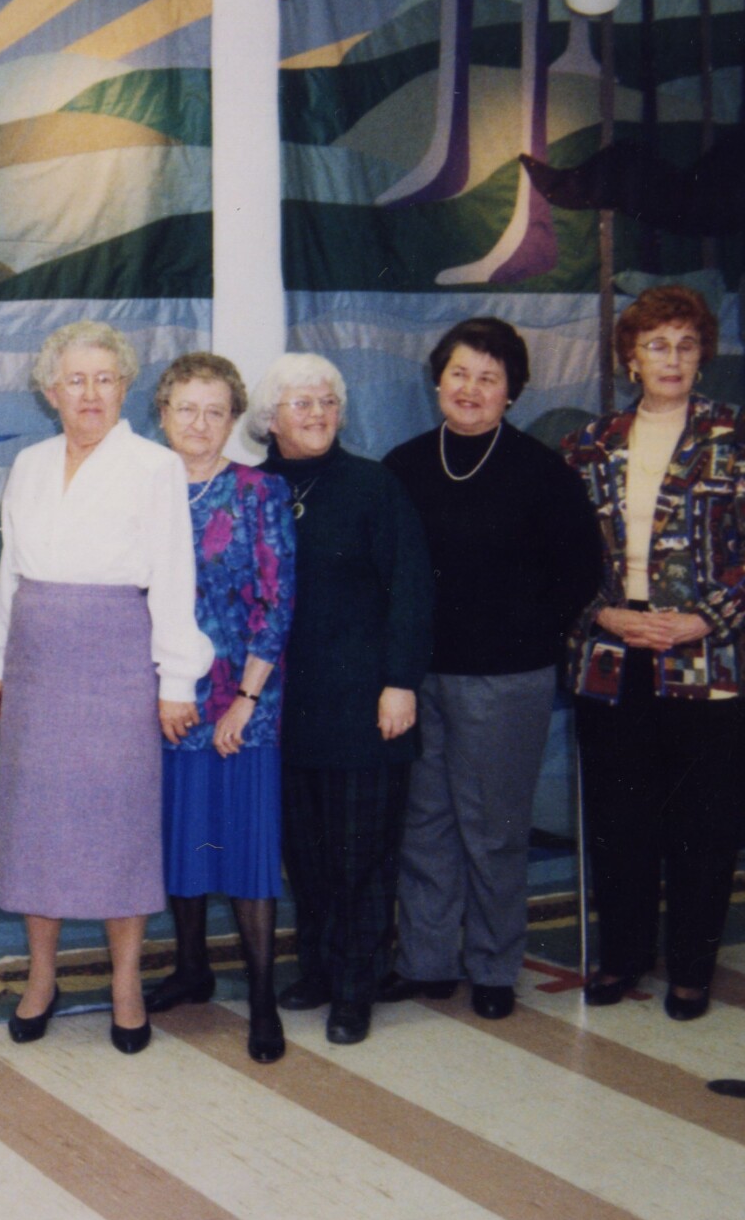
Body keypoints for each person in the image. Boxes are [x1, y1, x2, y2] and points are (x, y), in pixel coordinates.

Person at [0, 322, 215, 1055]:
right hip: (36, 663)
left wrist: (176, 680)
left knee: (120, 824)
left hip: (119, 660)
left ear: (125, 387)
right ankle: (43, 978)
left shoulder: (154, 468)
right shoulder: (26, 463)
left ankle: (124, 984)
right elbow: (8, 575)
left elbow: (177, 578)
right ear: (50, 392)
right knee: (37, 828)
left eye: (104, 379)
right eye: (75, 381)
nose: (90, 393)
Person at [562, 286, 745, 1021]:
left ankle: (692, 969)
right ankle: (625, 957)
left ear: (702, 356)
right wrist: (610, 618)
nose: (673, 358)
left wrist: (700, 619)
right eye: (657, 345)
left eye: (686, 345)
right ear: (631, 356)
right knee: (620, 819)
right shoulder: (589, 444)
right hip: (614, 655)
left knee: (705, 822)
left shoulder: (741, 433)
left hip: (712, 662)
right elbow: (563, 560)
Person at [383, 319, 606, 1020]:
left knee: (494, 828)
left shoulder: (542, 472)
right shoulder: (404, 465)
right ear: (438, 380)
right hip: (419, 676)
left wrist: (522, 632)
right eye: (459, 374)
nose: (471, 389)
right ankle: (425, 962)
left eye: (489, 378)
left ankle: (492, 965)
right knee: (425, 823)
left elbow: (580, 573)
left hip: (506, 679)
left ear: (512, 392)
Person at [252, 353, 433, 1047]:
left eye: (327, 402)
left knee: (361, 858)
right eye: (301, 404)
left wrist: (401, 683)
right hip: (284, 710)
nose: (319, 414)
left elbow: (411, 589)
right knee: (308, 854)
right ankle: (321, 971)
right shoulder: (258, 489)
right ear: (269, 420)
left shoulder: (372, 486)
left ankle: (356, 991)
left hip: (366, 708)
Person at [139, 354, 296, 1065]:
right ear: (163, 414)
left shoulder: (259, 492)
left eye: (214, 411)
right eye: (185, 409)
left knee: (246, 851)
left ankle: (262, 997)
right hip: (164, 701)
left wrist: (247, 701)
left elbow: (277, 603)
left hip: (242, 704)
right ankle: (192, 968)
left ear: (233, 421)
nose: (199, 424)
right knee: (186, 839)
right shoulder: (140, 489)